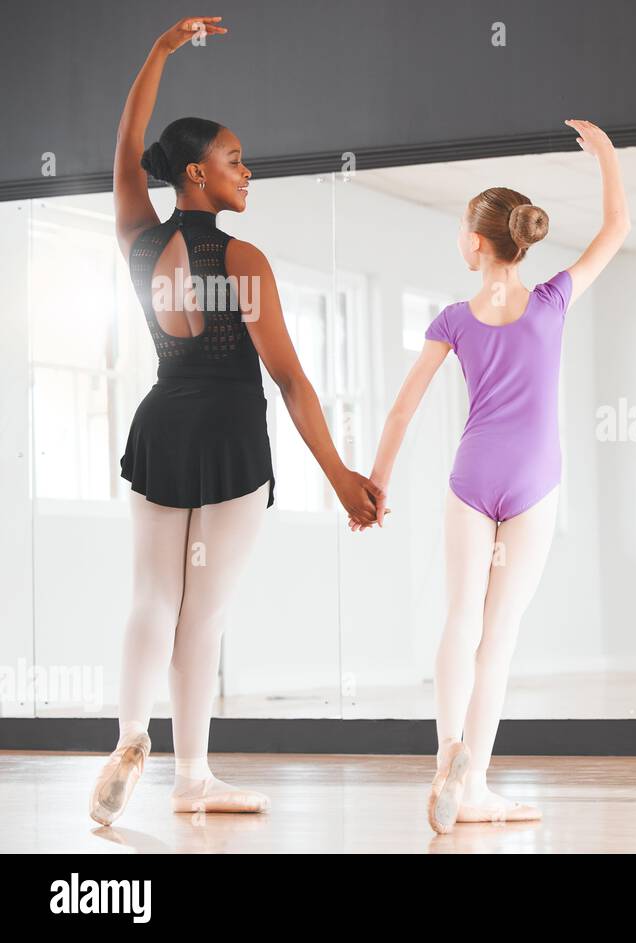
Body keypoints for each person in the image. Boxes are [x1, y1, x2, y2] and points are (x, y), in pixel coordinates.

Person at [91, 16, 381, 826]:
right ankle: (191, 776)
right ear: (195, 174)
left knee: (151, 598)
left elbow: (124, 148)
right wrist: (344, 480)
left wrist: (157, 51)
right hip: (228, 437)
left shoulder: (138, 241)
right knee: (204, 611)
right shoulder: (243, 260)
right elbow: (290, 382)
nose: (247, 172)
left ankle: (126, 735)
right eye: (233, 160)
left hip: (160, 424)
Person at [356, 120, 629, 831]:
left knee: (458, 618)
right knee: (499, 632)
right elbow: (618, 226)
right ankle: (473, 782)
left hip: (471, 475)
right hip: (533, 478)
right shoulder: (552, 300)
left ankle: (448, 750)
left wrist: (374, 486)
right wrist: (604, 155)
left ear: (477, 243)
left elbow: (402, 408)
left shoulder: (453, 318)